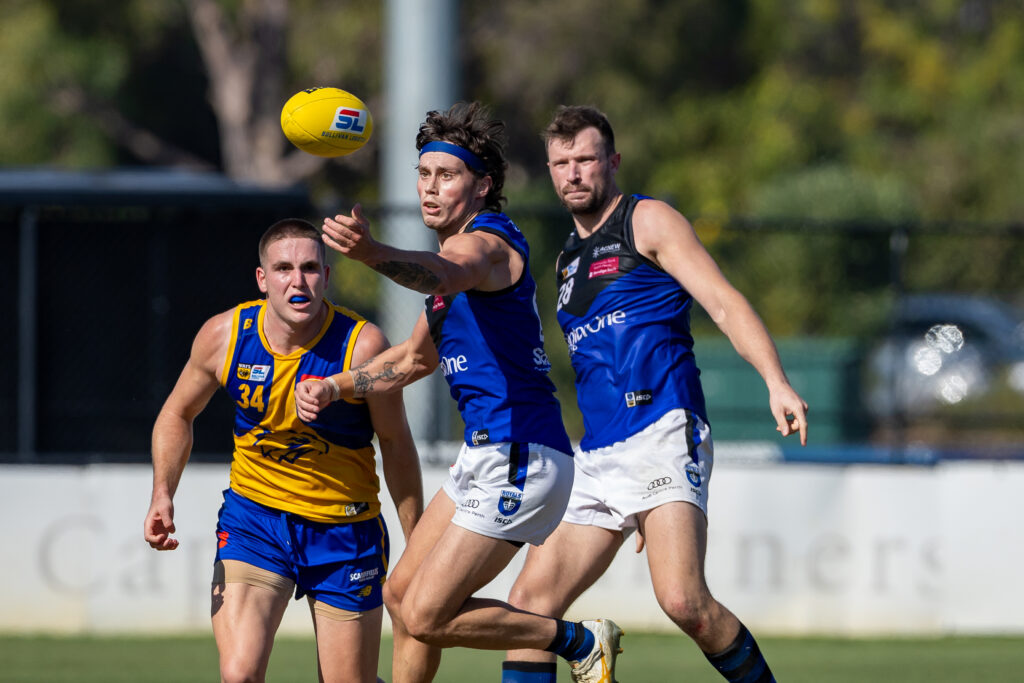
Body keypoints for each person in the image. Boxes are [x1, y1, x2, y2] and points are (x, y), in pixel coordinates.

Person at [294, 101, 622, 683]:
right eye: (423, 174)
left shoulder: (488, 242)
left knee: (426, 612)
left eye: (447, 176)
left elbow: (449, 271)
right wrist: (336, 385)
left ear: (482, 185)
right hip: (486, 453)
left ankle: (575, 640)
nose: (430, 187)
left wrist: (371, 253)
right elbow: (413, 359)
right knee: (401, 598)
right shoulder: (450, 269)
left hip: (522, 453)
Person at [501, 105, 810, 683]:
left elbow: (722, 301)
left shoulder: (648, 221)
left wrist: (775, 379)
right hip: (597, 454)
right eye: (560, 163)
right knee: (529, 605)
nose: (573, 173)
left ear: (612, 162)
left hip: (664, 432)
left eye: (586, 159)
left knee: (683, 601)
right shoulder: (567, 259)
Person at [143, 218, 423, 683]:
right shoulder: (225, 336)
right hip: (256, 522)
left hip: (344, 533)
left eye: (311, 268)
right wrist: (161, 492)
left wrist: (416, 541)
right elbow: (176, 414)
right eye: (284, 268)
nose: (298, 281)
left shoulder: (362, 347)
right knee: (239, 674)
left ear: (327, 278)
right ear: (262, 279)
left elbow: (395, 442)